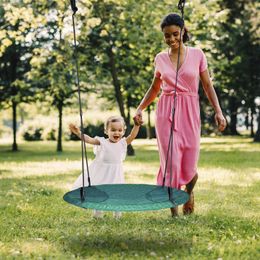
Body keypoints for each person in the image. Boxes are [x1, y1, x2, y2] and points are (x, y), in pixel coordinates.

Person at [134, 13, 227, 217]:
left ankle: (189, 192)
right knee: (171, 163)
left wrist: (218, 112)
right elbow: (154, 88)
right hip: (166, 110)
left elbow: (207, 85)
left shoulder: (198, 55)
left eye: (175, 34)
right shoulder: (160, 58)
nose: (172, 39)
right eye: (167, 36)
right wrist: (139, 108)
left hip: (190, 110)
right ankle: (174, 213)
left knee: (190, 166)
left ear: (183, 31)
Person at [69, 116, 141, 218]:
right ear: (106, 131)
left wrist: (137, 125)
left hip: (116, 174)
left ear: (123, 131)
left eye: (120, 130)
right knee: (100, 192)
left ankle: (117, 214)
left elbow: (132, 135)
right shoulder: (102, 142)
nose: (117, 133)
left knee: (117, 193)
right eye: (113, 130)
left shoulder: (122, 143)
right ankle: (98, 213)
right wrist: (78, 133)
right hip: (102, 173)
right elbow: (89, 139)